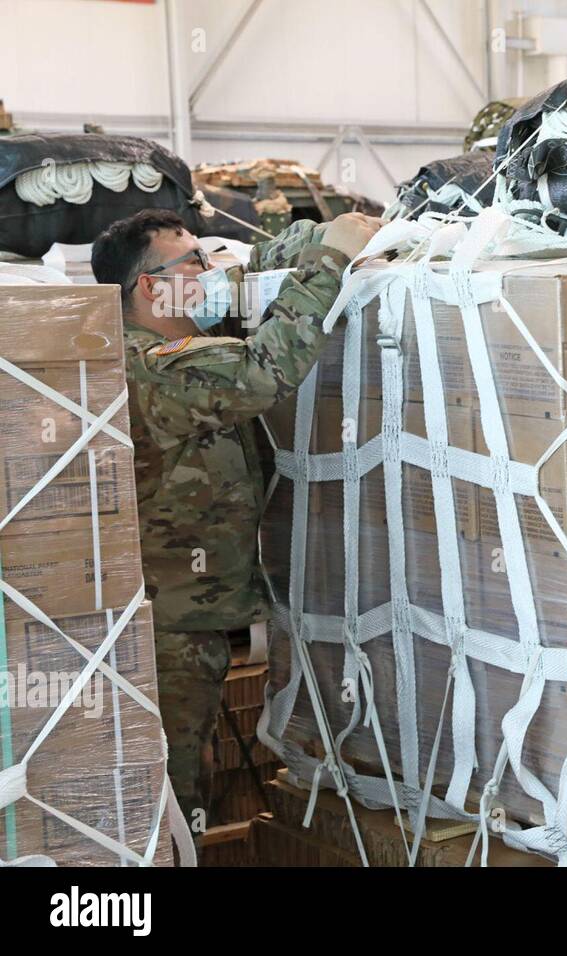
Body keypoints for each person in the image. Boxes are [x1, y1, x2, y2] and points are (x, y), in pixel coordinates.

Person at [90, 208, 380, 838]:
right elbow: (259, 374)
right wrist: (329, 264)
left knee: (194, 772)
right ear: (150, 286)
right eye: (191, 261)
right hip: (169, 625)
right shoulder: (156, 365)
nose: (208, 269)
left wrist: (319, 240)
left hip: (189, 616)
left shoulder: (176, 343)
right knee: (172, 785)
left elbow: (249, 269)